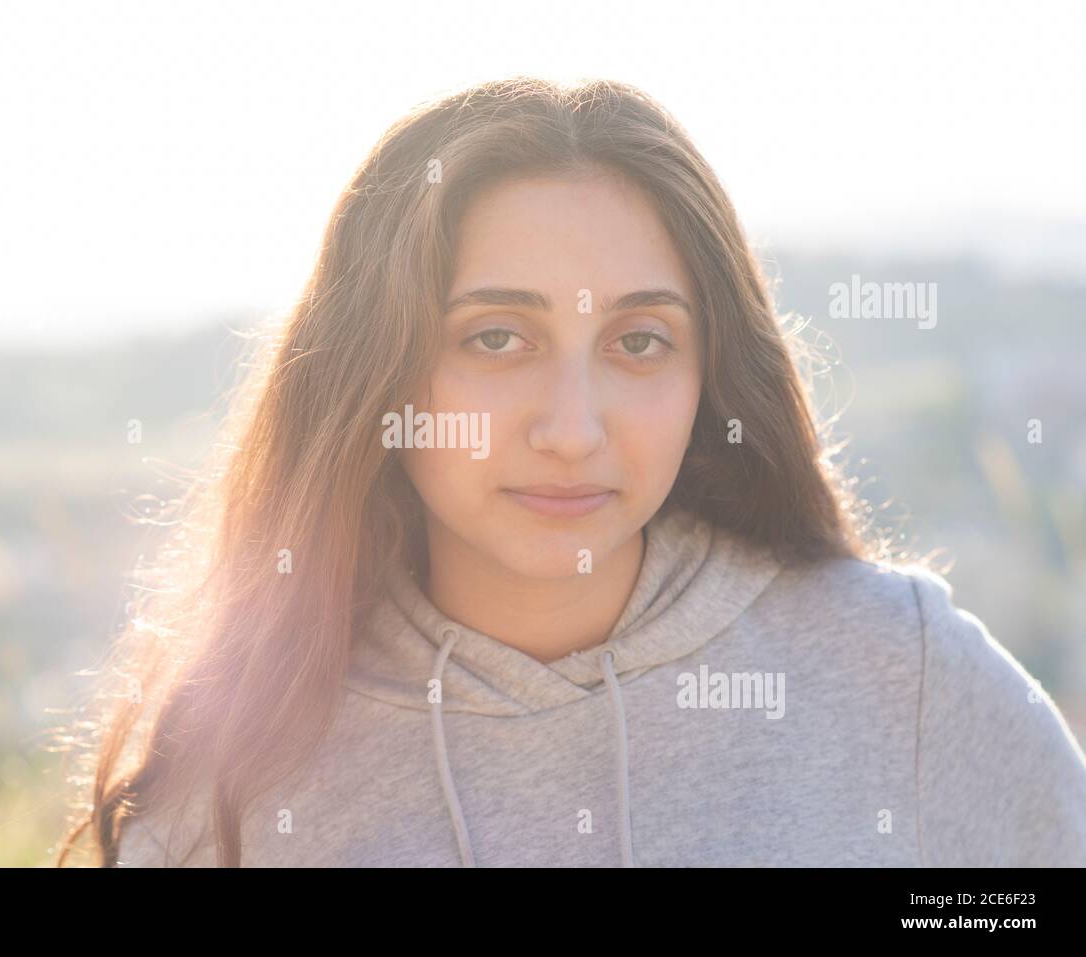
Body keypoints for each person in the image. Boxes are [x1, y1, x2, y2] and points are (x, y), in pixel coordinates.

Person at [57, 76, 1086, 867]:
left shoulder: (899, 675)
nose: (571, 426)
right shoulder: (237, 774)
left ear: (706, 376)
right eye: (497, 338)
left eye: (639, 344)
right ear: (376, 370)